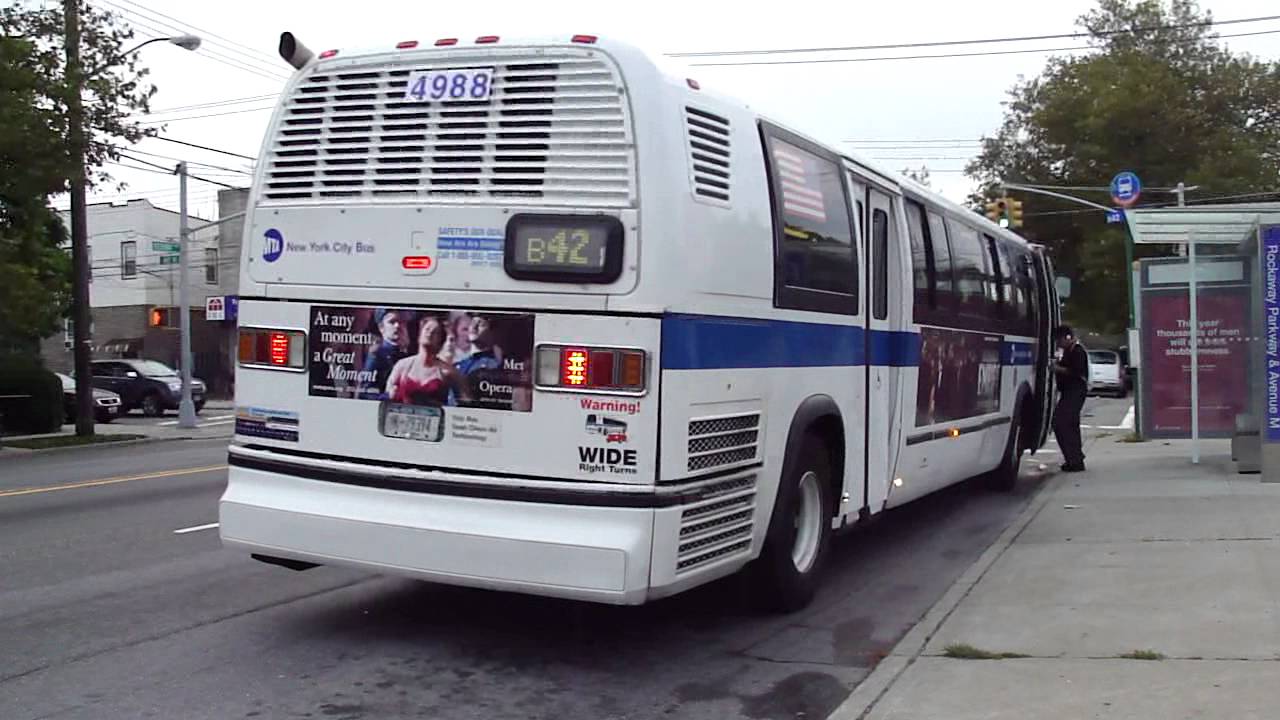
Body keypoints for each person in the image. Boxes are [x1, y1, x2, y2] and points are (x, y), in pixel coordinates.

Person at [386, 315, 470, 406]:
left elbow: (466, 401)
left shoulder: (447, 371)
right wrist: (392, 393)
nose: (430, 333)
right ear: (419, 334)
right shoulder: (402, 365)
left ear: (440, 340)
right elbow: (387, 394)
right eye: (427, 329)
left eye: (435, 332)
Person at [1052, 324, 1089, 472]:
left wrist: (1058, 369)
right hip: (1069, 391)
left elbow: (1076, 372)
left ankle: (1074, 458)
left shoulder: (1078, 351)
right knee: (1070, 424)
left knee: (1062, 423)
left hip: (1075, 391)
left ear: (1067, 337)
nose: (1059, 344)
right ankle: (1074, 458)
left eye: (1060, 340)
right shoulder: (1069, 351)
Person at [358, 309, 410, 400]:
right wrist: (387, 396)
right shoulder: (377, 355)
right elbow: (365, 393)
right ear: (381, 327)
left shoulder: (405, 355)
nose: (397, 326)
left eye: (401, 322)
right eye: (392, 322)